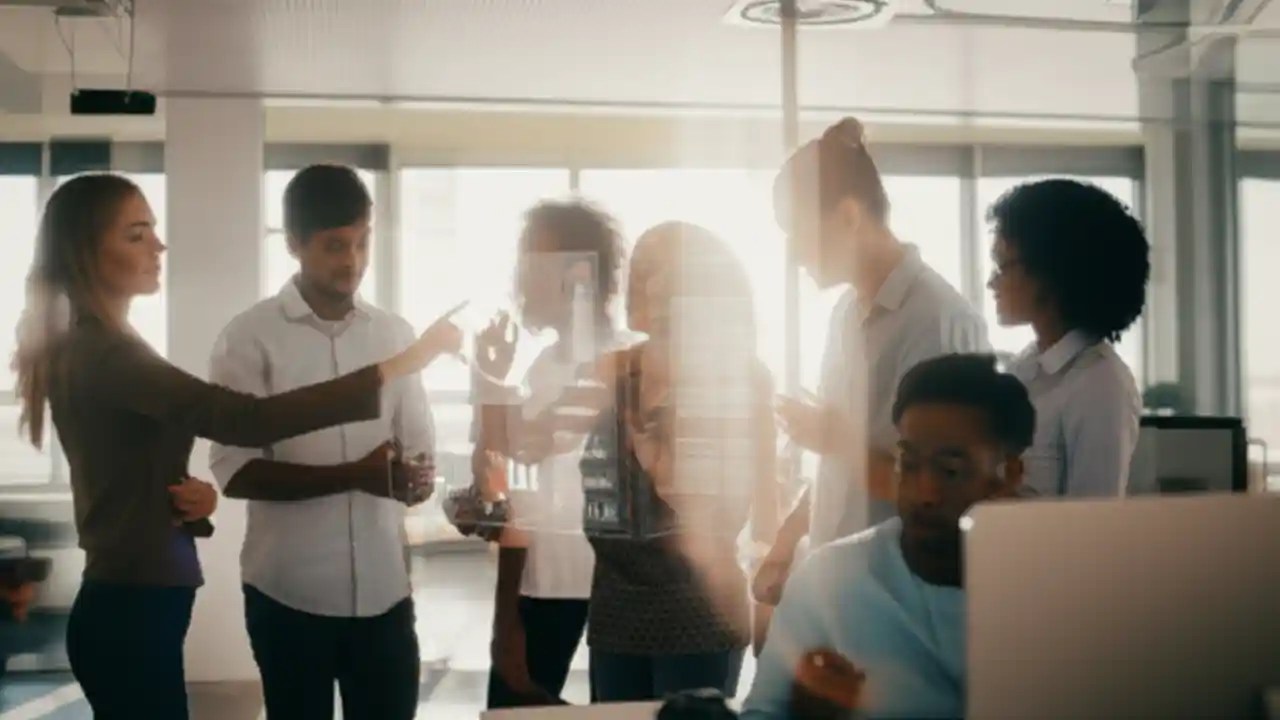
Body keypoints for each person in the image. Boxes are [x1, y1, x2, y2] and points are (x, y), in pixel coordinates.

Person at [10, 173, 461, 719]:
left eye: (152, 230)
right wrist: (401, 365)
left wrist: (191, 501)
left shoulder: (109, 343)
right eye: (136, 234)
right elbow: (247, 421)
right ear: (86, 250)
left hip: (145, 602)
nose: (159, 245)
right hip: (139, 608)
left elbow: (129, 471)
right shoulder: (105, 351)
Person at [209, 165, 439, 720]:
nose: (353, 261)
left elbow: (416, 452)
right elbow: (235, 472)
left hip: (386, 594)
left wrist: (414, 481)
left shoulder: (395, 335)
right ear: (293, 244)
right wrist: (353, 476)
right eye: (336, 245)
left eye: (362, 242)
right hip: (288, 596)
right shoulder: (248, 337)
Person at [754, 117, 989, 611]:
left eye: (798, 232)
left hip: (906, 604)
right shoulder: (846, 314)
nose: (793, 254)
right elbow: (839, 469)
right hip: (843, 591)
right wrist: (785, 544)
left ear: (847, 217)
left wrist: (832, 438)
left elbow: (944, 491)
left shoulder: (939, 322)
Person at [741, 354, 1035, 719]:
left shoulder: (1055, 590)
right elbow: (762, 714)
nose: (924, 491)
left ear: (1009, 474)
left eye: (950, 470)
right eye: (908, 465)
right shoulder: (830, 582)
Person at [574, 222, 779, 702]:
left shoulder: (739, 374)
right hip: (616, 606)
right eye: (637, 267)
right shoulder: (614, 370)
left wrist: (768, 599)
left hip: (699, 607)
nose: (637, 282)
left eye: (655, 268)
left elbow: (765, 492)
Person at [468, 200, 628, 707]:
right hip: (547, 583)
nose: (523, 280)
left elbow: (520, 454)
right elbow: (503, 482)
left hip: (623, 588)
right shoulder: (539, 368)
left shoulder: (632, 362)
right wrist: (507, 616)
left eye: (533, 264)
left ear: (580, 273)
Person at [987, 178, 1149, 497]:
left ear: (1050, 271)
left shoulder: (1099, 383)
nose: (993, 282)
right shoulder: (1025, 368)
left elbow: (1092, 524)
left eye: (1003, 266)